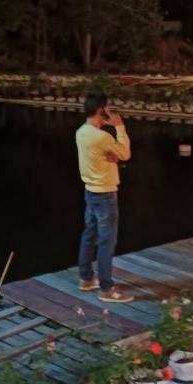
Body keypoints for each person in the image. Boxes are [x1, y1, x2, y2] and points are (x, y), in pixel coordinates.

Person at [76, 93, 132, 303]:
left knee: (89, 235)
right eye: (107, 109)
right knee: (106, 241)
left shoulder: (81, 133)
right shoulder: (103, 137)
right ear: (101, 110)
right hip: (106, 194)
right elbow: (125, 153)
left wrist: (112, 155)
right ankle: (107, 289)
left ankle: (86, 279)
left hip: (90, 191)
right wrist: (119, 127)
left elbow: (108, 154)